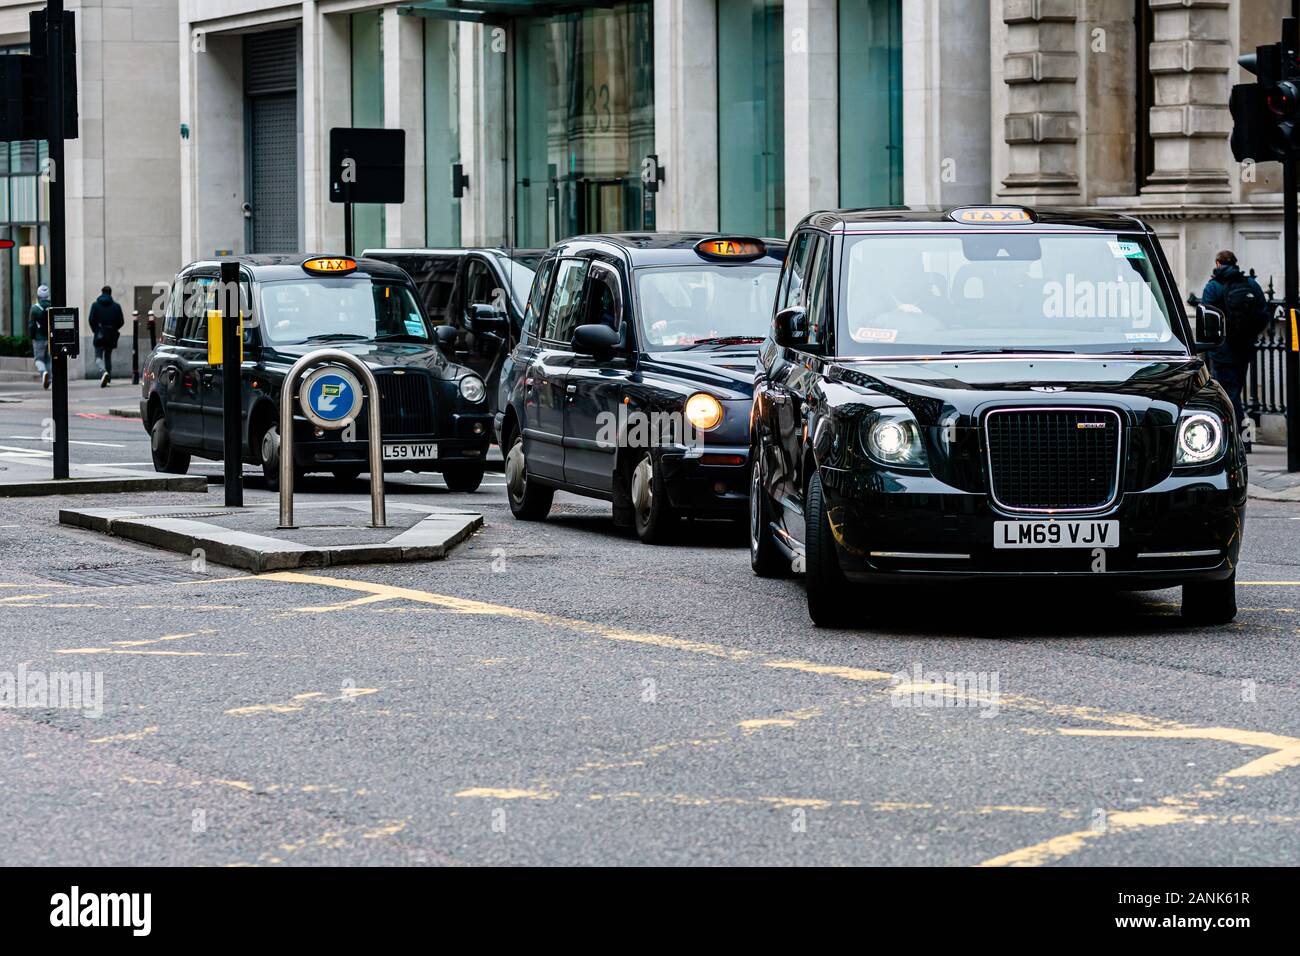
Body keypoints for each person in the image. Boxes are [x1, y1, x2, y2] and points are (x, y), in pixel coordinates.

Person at [1200, 251, 1271, 451]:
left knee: (1228, 395)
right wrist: (1248, 335)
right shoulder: (1251, 285)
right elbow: (1264, 315)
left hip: (1222, 351)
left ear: (1217, 263)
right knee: (1235, 393)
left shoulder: (1213, 286)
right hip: (1244, 349)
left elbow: (1206, 320)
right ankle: (1242, 439)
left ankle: (1241, 440)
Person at [88, 285, 125, 387]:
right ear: (110, 293)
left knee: (98, 357)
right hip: (111, 335)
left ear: (102, 292)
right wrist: (113, 329)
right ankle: (108, 378)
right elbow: (121, 321)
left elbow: (91, 319)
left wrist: (96, 330)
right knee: (108, 357)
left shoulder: (95, 305)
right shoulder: (116, 306)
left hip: (99, 334)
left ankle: (103, 371)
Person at [28, 284, 51, 390]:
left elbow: (31, 325)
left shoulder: (35, 309)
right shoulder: (52, 307)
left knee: (38, 359)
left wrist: (32, 336)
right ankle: (49, 379)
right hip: (50, 338)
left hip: (39, 338)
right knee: (49, 360)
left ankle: (44, 372)